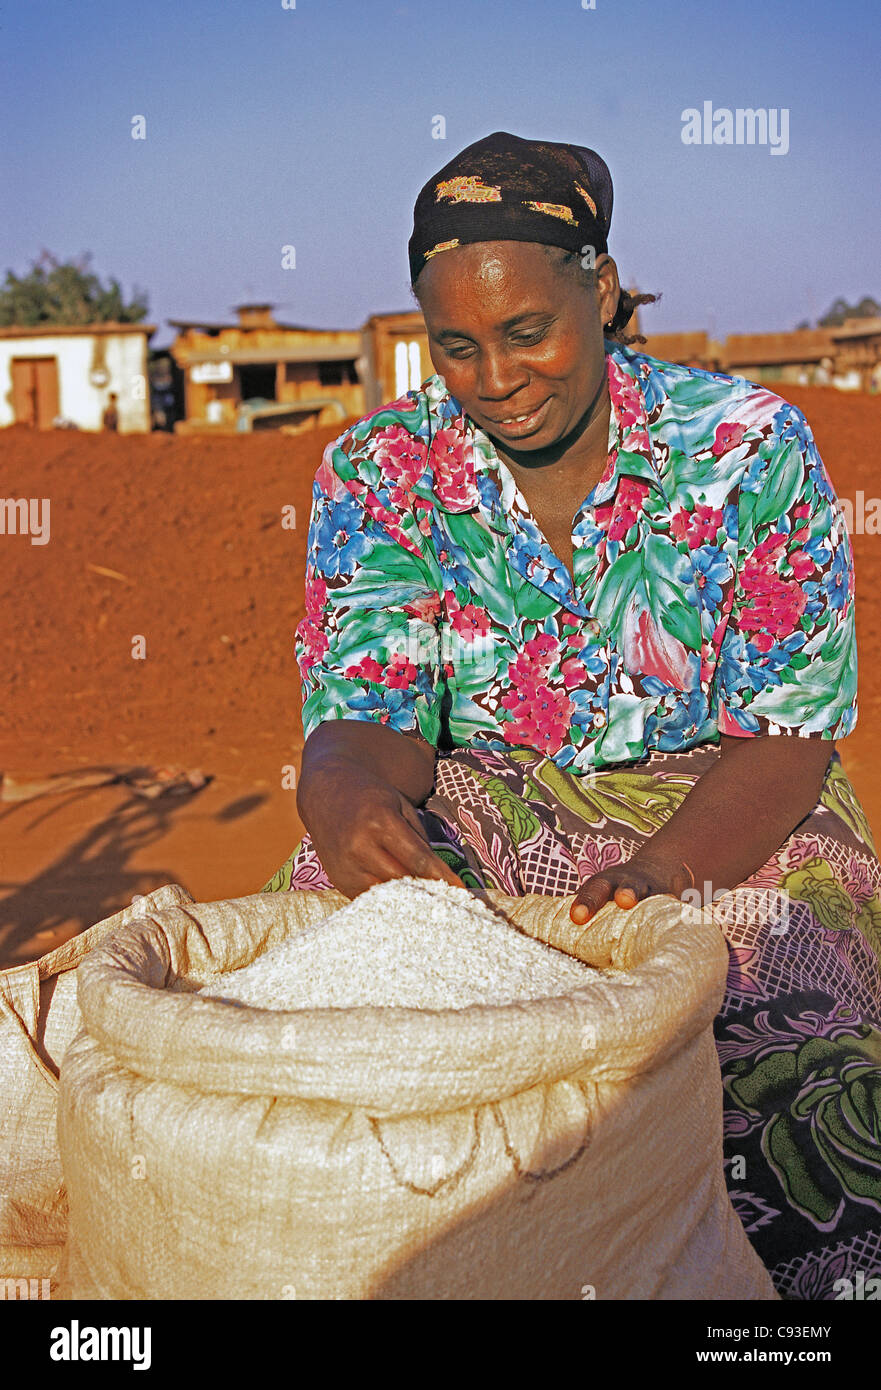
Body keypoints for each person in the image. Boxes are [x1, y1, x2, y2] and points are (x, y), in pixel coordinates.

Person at [263, 131, 881, 1298]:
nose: (493, 377)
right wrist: (335, 788)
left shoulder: (746, 446)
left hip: (725, 810)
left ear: (597, 290)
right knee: (334, 1020)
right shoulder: (378, 469)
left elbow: (786, 737)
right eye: (455, 348)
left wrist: (656, 881)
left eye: (525, 331)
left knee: (802, 1088)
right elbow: (371, 715)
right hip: (487, 799)